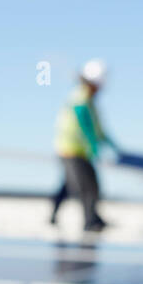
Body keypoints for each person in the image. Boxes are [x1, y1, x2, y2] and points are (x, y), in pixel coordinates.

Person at [53, 59, 115, 233]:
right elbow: (83, 120)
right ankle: (90, 221)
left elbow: (96, 125)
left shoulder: (88, 99)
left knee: (74, 184)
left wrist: (106, 140)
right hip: (70, 149)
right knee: (85, 186)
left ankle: (92, 217)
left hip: (79, 150)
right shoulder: (80, 96)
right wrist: (92, 142)